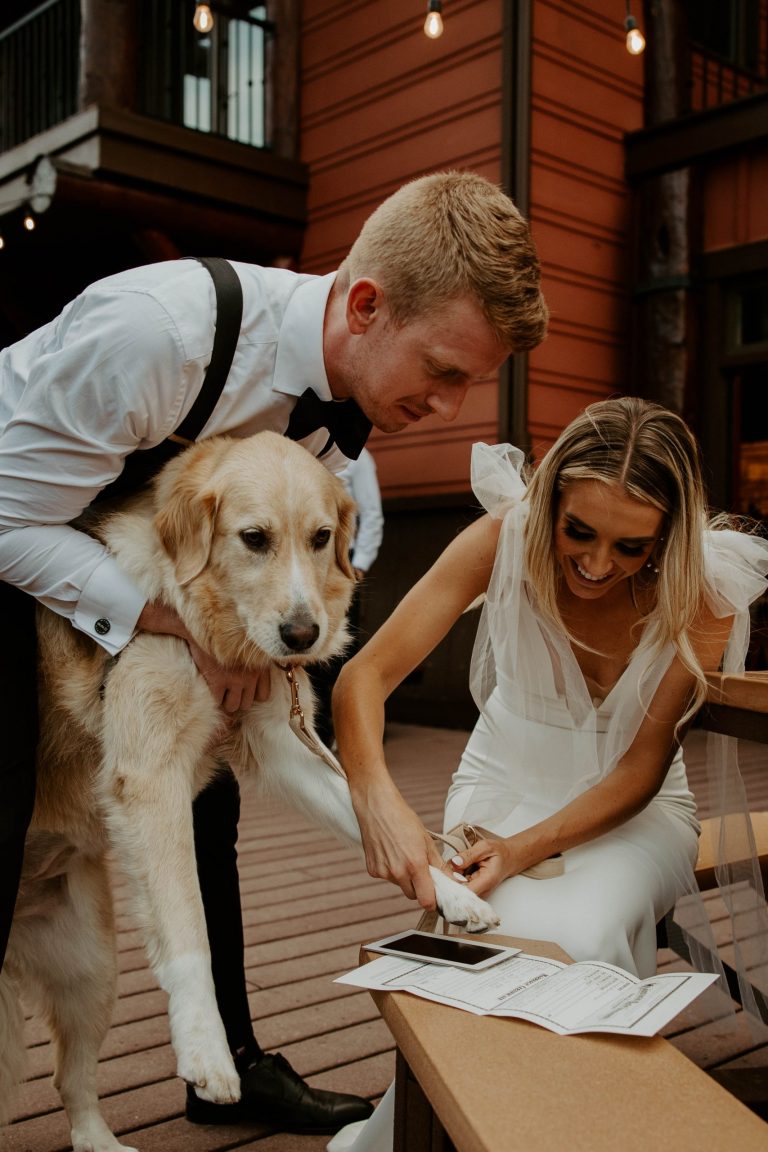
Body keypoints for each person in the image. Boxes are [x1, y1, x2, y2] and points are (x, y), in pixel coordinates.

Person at [0, 171, 548, 1134]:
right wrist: (164, 620)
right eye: (445, 370)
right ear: (367, 306)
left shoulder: (336, 422)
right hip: (13, 570)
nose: (452, 404)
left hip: (124, 599)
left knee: (207, 794)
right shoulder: (156, 338)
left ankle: (228, 1059)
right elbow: (3, 516)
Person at [329, 396, 768, 1151]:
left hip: (636, 808)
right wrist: (379, 801)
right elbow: (362, 678)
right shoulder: (501, 536)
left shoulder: (707, 583)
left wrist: (523, 848)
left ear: (669, 535)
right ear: (553, 498)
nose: (599, 566)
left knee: (582, 926)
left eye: (633, 548)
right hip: (504, 774)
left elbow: (639, 769)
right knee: (501, 922)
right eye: (579, 532)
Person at [312, 446, 385, 746]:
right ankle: (315, 730)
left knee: (341, 649)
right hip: (308, 562)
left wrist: (359, 564)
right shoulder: (307, 448)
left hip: (342, 564)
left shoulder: (360, 458)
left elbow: (371, 513)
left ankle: (345, 730)